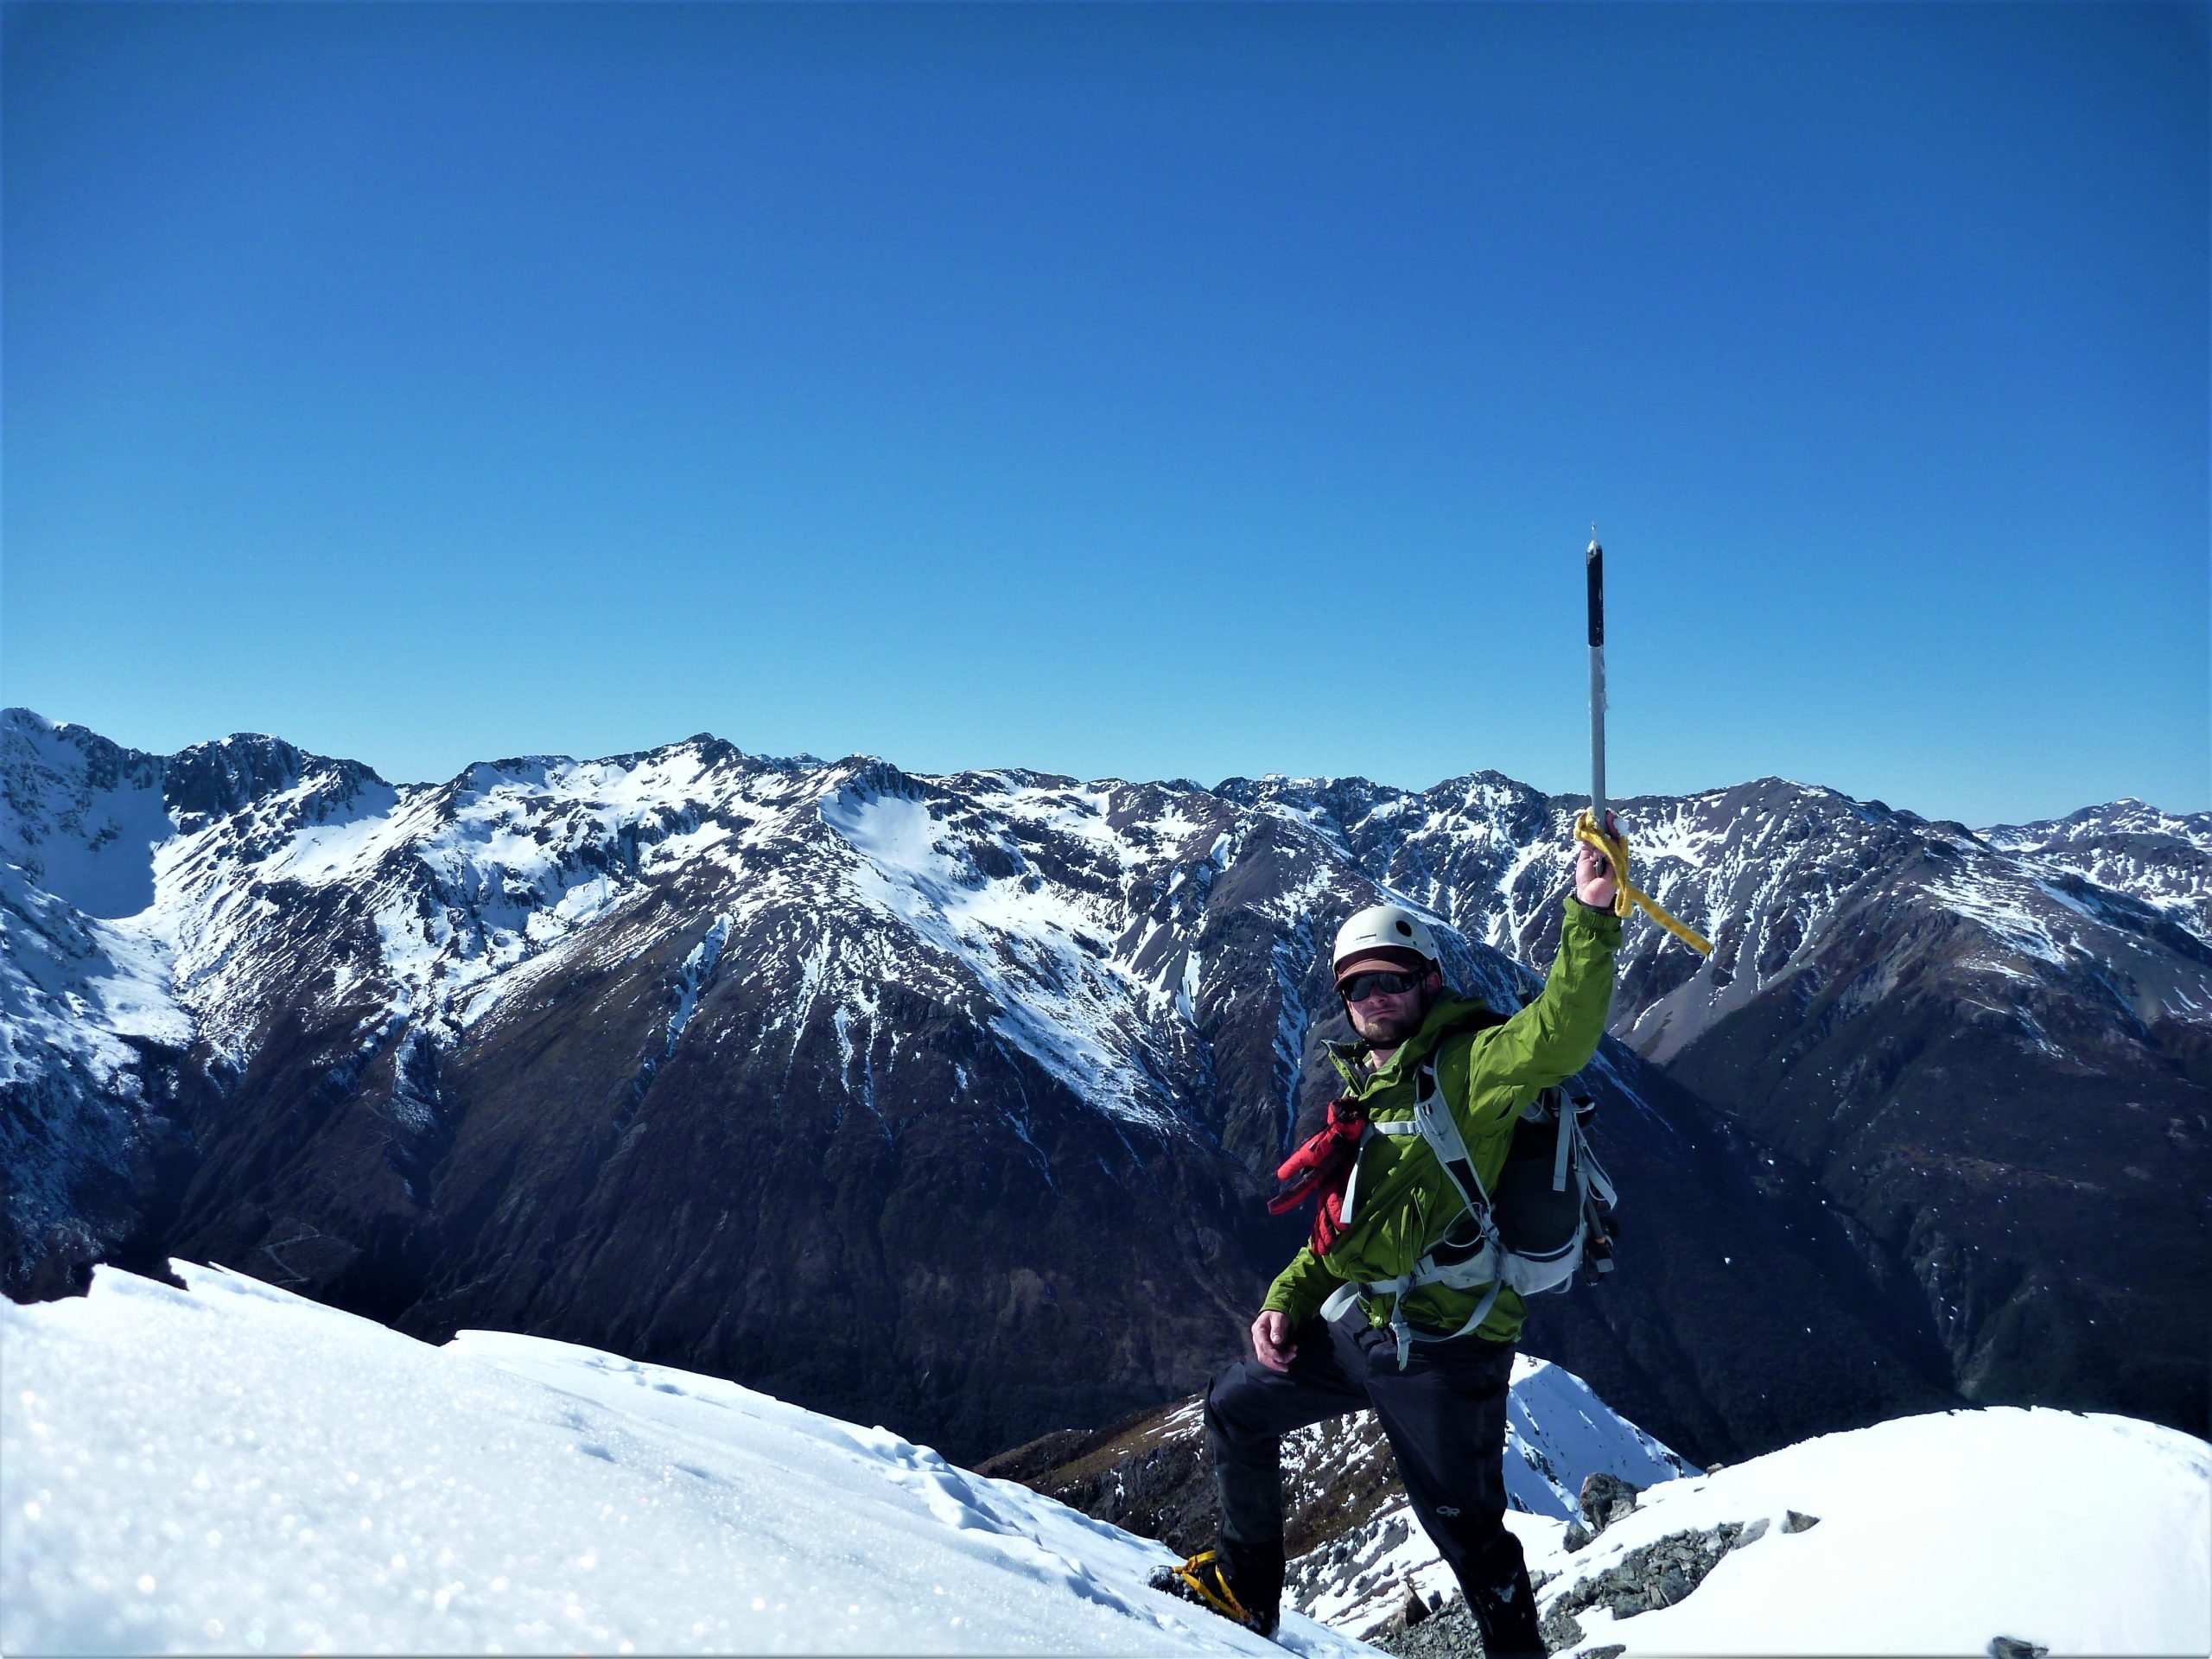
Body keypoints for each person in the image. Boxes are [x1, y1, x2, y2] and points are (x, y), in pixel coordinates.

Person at [1153, 827, 1622, 1655]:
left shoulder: (1474, 1065)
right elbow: (1352, 1223)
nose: (1372, 997)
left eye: (1390, 981)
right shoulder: (1369, 1083)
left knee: (1469, 1538)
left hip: (1449, 1348)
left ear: (1427, 982)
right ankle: (1244, 1588)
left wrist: (1590, 913)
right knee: (1234, 1409)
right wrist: (1287, 1299)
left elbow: (1562, 1032)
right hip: (1367, 1324)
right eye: (1356, 986)